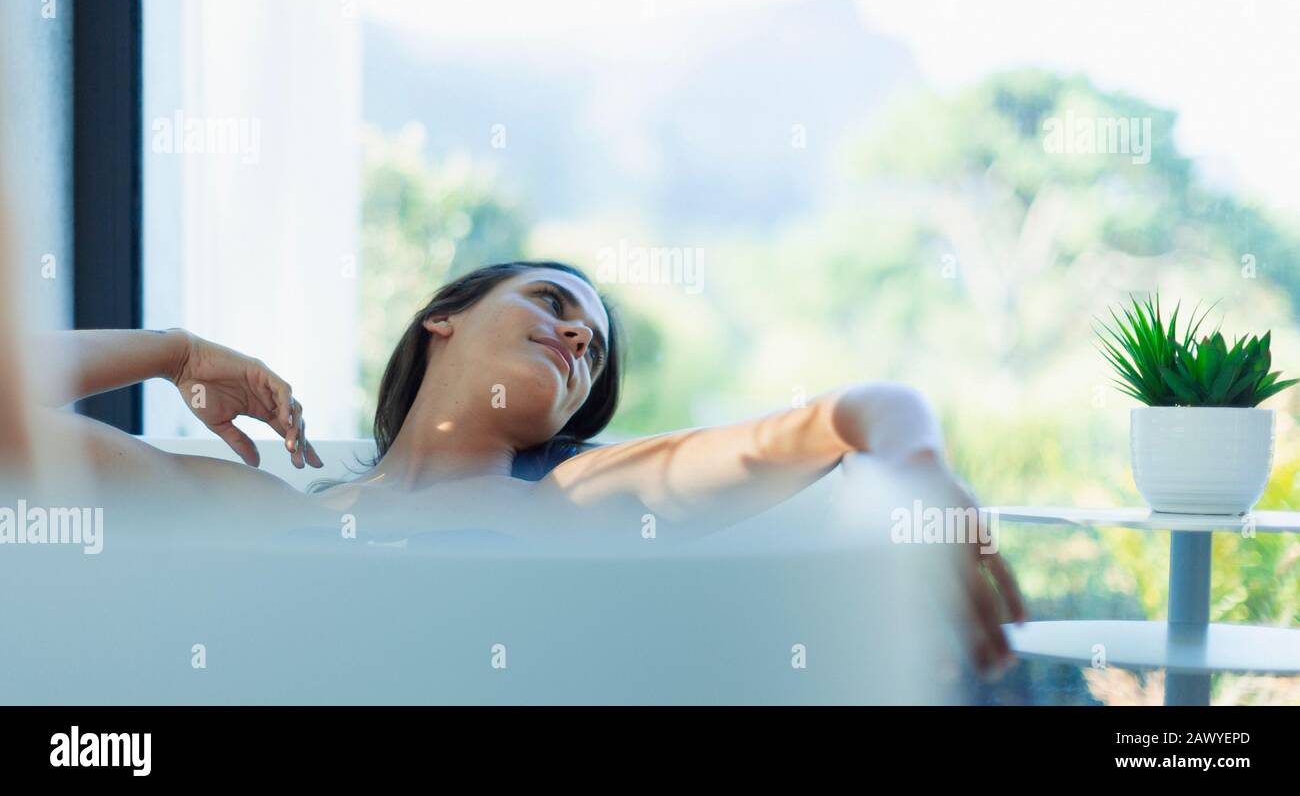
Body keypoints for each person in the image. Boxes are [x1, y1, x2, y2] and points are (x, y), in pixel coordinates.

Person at [3, 255, 1026, 677]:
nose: (576, 339)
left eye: (592, 348)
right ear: (442, 322)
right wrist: (177, 349)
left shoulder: (574, 499)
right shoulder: (257, 503)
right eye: (552, 304)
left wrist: (919, 464)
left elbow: (831, 420)